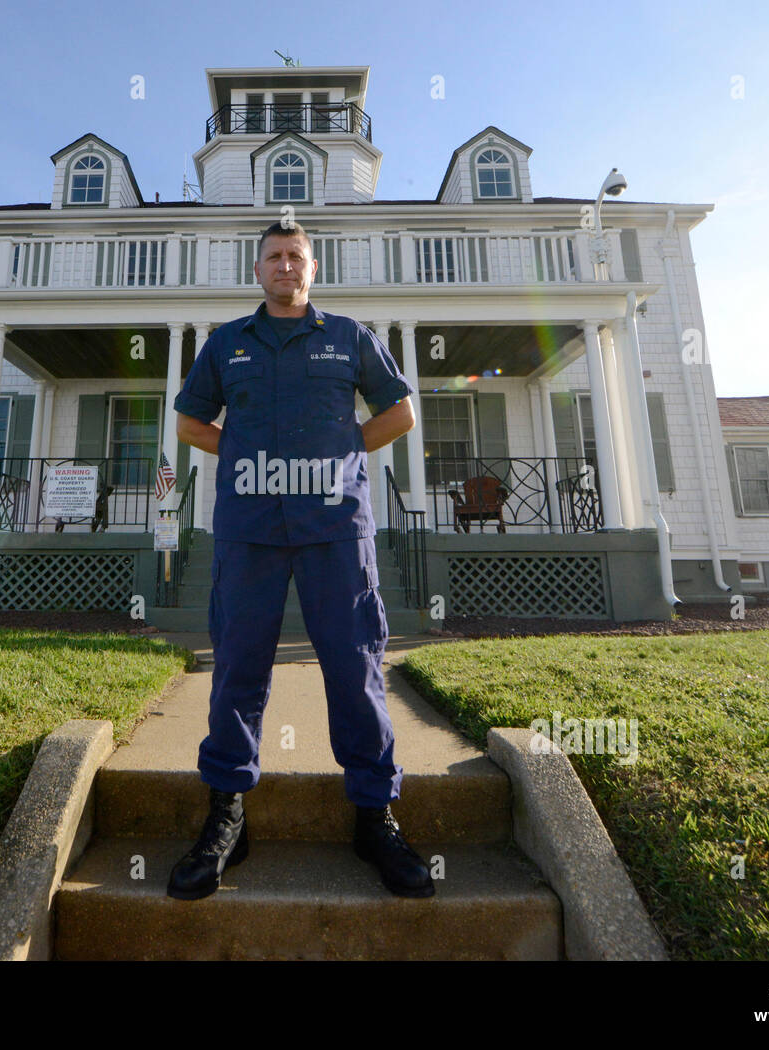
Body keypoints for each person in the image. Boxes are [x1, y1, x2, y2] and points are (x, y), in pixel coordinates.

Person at [166, 219, 434, 901]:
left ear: (313, 269)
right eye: (274, 257)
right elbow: (191, 423)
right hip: (249, 526)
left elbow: (400, 413)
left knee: (355, 665)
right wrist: (250, 458)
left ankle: (374, 817)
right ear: (257, 271)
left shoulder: (349, 337)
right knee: (237, 664)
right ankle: (227, 816)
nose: (285, 266)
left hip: (336, 528)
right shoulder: (227, 343)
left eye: (296, 256)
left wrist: (338, 454)